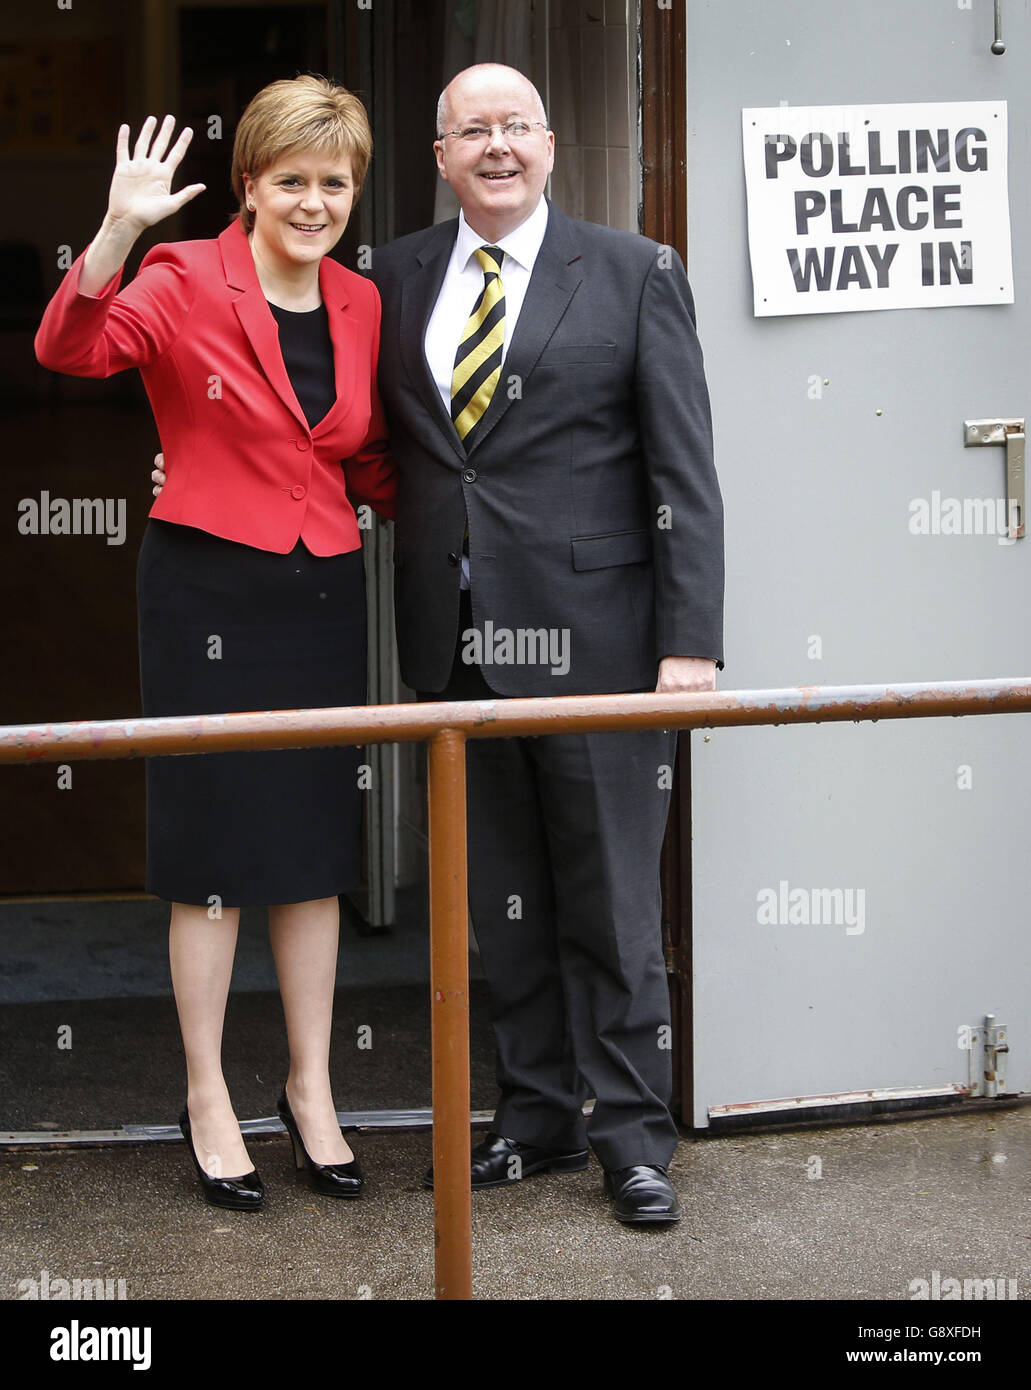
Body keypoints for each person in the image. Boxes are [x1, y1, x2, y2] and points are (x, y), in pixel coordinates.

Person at [155, 61, 724, 1225]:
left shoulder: (635, 272)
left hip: (600, 646)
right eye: (473, 130)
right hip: (458, 642)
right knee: (499, 901)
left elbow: (684, 471)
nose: (496, 146)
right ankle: (534, 1117)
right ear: (439, 157)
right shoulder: (388, 277)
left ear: (550, 145)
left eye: (517, 125)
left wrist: (690, 642)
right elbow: (319, 419)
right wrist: (195, 462)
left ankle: (631, 1139)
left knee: (612, 902)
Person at [36, 76, 396, 1211]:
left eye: (333, 182)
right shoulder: (184, 274)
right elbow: (72, 350)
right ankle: (206, 1094)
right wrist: (116, 231)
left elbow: (364, 454)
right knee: (210, 854)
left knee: (314, 848)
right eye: (290, 180)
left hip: (322, 588)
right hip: (204, 593)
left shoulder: (360, 300)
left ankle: (310, 1089)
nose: (313, 202)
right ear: (247, 183)